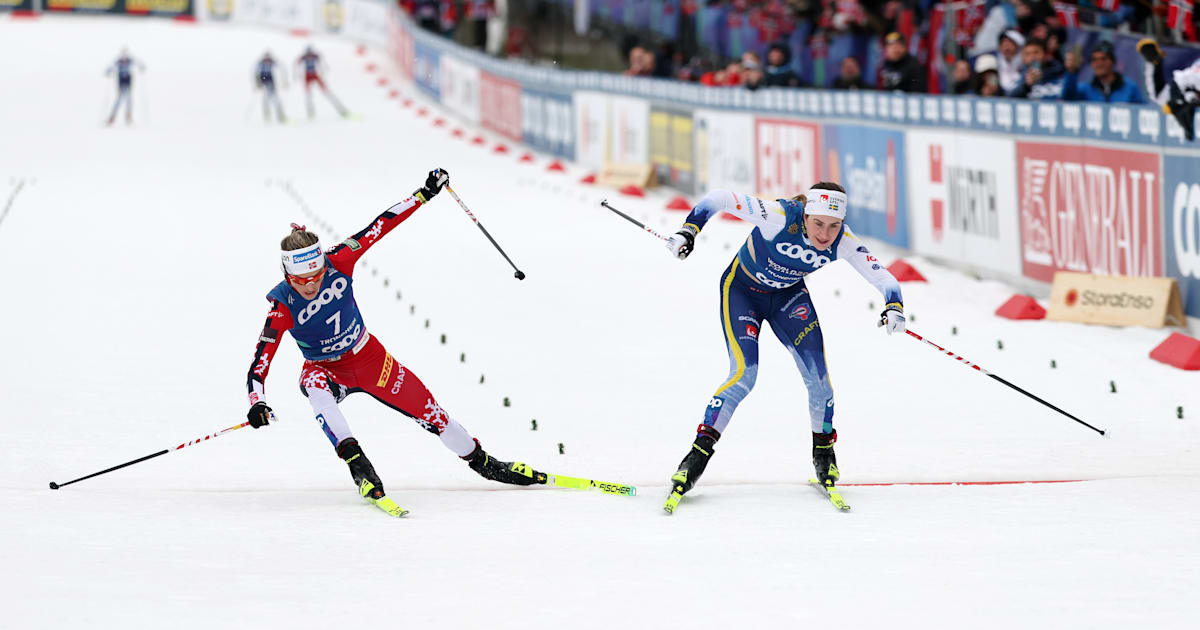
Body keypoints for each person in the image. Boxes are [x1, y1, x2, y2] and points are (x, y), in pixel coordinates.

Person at [245, 169, 546, 516]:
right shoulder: (281, 305)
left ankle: (484, 462)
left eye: (317, 276)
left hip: (370, 359)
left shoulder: (340, 258)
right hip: (326, 370)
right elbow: (259, 363)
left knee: (433, 413)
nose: (310, 286)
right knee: (313, 386)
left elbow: (380, 225)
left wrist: (424, 194)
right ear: (286, 275)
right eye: (301, 280)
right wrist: (258, 402)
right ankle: (359, 465)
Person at [659, 184, 905, 513]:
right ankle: (697, 456)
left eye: (834, 226)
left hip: (788, 298)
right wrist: (689, 231)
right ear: (805, 216)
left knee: (820, 382)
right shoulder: (777, 217)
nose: (825, 235)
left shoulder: (843, 240)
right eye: (818, 224)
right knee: (745, 376)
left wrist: (894, 306)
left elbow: (886, 280)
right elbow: (719, 198)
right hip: (742, 292)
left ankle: (824, 456)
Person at [1140, 38, 1199, 141]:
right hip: (1183, 86)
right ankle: (1154, 62)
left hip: (1188, 89)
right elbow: (1162, 97)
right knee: (1164, 100)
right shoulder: (1191, 78)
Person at [1063, 41, 1144, 104]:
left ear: (1113, 61)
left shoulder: (1130, 88)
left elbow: (1142, 112)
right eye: (1094, 60)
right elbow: (1068, 100)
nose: (1099, 64)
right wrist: (1071, 72)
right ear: (1091, 64)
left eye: (1103, 59)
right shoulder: (1084, 89)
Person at [295, 45, 350, 119]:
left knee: (327, 92)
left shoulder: (315, 56)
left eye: (310, 53)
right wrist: (298, 74)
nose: (309, 54)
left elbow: (322, 62)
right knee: (308, 95)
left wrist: (324, 69)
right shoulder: (304, 57)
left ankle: (341, 109)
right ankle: (310, 112)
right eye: (308, 53)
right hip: (307, 76)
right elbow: (297, 64)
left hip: (315, 75)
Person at [104, 47, 144, 126]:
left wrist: (142, 67)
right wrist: (108, 71)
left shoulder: (130, 60)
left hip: (128, 82)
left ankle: (128, 116)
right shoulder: (118, 61)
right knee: (119, 99)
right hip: (121, 82)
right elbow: (111, 67)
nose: (124, 57)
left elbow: (139, 63)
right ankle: (112, 117)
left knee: (129, 99)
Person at [254, 51, 287, 123]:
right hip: (263, 79)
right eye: (266, 58)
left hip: (270, 79)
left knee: (275, 98)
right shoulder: (261, 62)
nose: (267, 60)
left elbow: (281, 66)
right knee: (265, 98)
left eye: (268, 58)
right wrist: (257, 82)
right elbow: (256, 71)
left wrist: (284, 80)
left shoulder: (272, 61)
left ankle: (280, 115)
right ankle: (267, 116)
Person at [996, 30, 1024, 94]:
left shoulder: (1024, 66)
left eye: (1010, 43)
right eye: (1003, 43)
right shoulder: (994, 64)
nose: (1006, 46)